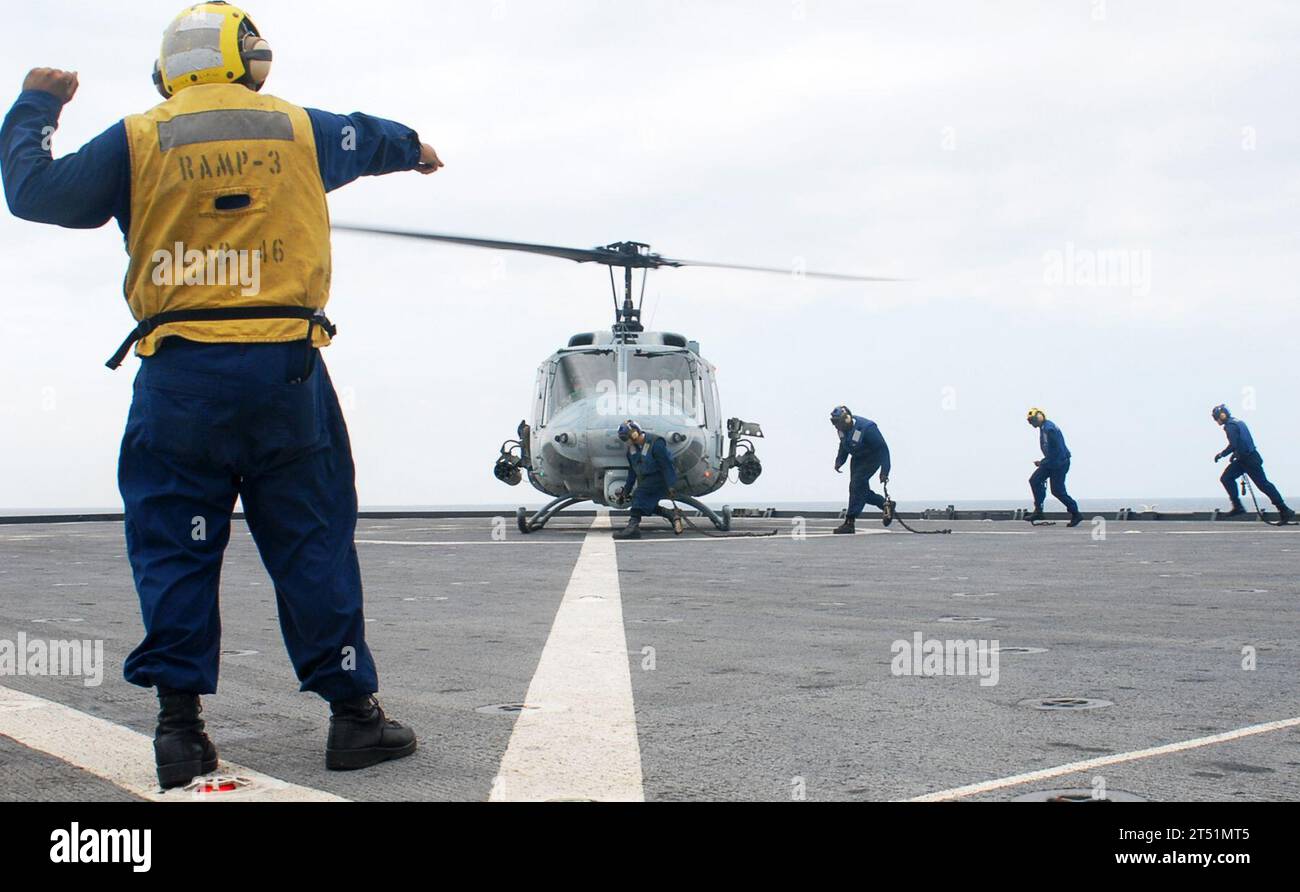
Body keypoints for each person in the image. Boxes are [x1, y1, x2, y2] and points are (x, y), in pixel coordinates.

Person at [1, 1, 445, 788]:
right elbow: (369, 135)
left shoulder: (137, 139)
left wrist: (37, 104)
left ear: (166, 70)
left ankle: (180, 732)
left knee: (174, 543)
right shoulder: (299, 128)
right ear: (253, 59)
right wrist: (415, 151)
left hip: (180, 377)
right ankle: (353, 720)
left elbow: (34, 193)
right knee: (309, 542)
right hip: (286, 375)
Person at [1212, 405, 1294, 524]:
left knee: (1263, 485)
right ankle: (1237, 507)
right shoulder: (1238, 422)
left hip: (1249, 460)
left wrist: (1221, 454)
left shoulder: (1230, 426)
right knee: (1226, 478)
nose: (1216, 421)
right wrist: (1235, 454)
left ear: (1222, 416)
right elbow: (1242, 442)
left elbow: (1234, 444)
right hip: (1246, 458)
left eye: (1216, 418)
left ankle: (1285, 510)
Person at [613, 421, 684, 540]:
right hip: (646, 479)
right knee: (645, 503)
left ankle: (633, 528)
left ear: (634, 434)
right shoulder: (632, 451)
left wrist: (671, 485)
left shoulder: (656, 443)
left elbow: (666, 465)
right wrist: (625, 492)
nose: (625, 441)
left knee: (639, 496)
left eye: (625, 438)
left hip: (660, 478)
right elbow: (632, 473)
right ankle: (672, 515)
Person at [830, 406, 894, 534]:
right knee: (859, 490)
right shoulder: (841, 430)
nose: (837, 426)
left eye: (839, 422)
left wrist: (884, 472)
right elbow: (843, 445)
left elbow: (883, 449)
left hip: (872, 458)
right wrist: (839, 461)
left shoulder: (867, 428)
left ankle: (850, 521)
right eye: (835, 423)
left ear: (847, 419)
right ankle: (885, 505)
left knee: (856, 485)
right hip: (858, 459)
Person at [1025, 408, 1083, 527]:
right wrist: (1044, 462)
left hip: (1059, 463)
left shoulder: (1049, 429)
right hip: (1051, 462)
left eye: (1033, 420)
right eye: (1030, 421)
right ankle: (1039, 511)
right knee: (1035, 480)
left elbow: (1057, 450)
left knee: (1057, 490)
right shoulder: (1044, 427)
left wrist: (1043, 462)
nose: (1032, 423)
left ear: (1040, 417)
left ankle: (1076, 513)